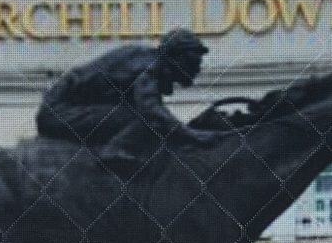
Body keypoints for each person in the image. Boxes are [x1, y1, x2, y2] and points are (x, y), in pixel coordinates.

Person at [35, 28, 212, 170]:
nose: (198, 67)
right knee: (143, 119)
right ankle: (114, 152)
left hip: (69, 108)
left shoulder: (146, 59)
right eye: (193, 60)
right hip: (60, 112)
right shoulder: (148, 67)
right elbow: (152, 112)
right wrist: (192, 135)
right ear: (177, 56)